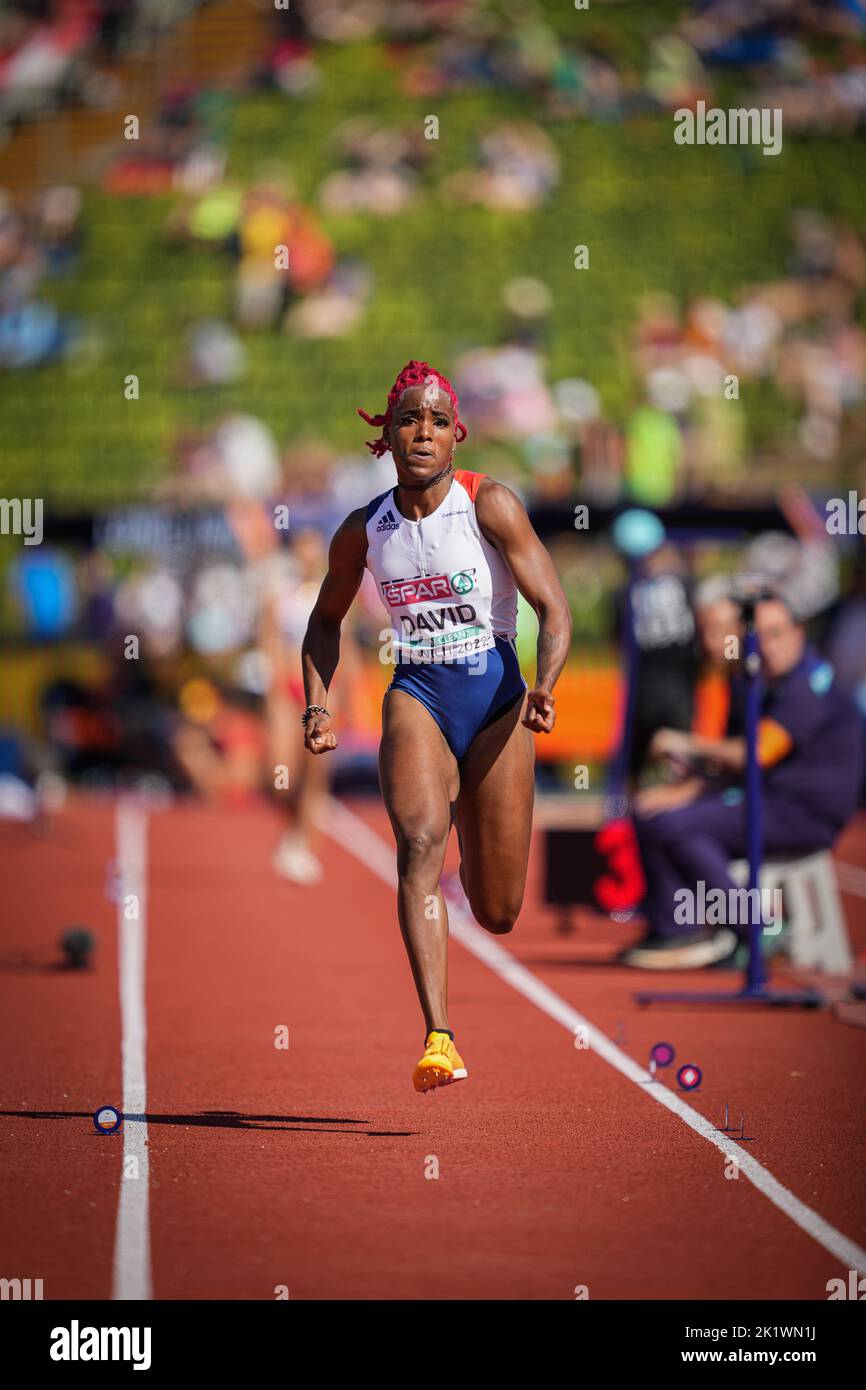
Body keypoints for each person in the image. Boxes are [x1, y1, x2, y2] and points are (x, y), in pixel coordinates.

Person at [300, 360, 572, 1089]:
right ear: (384, 436)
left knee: (499, 910)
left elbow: (554, 608)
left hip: (497, 704)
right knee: (418, 842)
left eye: (437, 421)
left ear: (458, 435)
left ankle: (475, 836)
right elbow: (323, 622)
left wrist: (544, 685)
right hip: (415, 691)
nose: (422, 433)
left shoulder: (491, 506)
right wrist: (318, 703)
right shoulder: (364, 530)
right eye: (408, 420)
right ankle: (439, 1036)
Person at [623, 594, 865, 969]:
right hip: (765, 799)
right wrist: (683, 788)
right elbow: (732, 764)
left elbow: (753, 755)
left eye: (776, 634)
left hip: (803, 812)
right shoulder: (753, 682)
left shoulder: (806, 684)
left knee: (676, 826)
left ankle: (754, 926)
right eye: (757, 636)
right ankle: (672, 929)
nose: (766, 646)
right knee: (652, 813)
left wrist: (682, 743)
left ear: (799, 634)